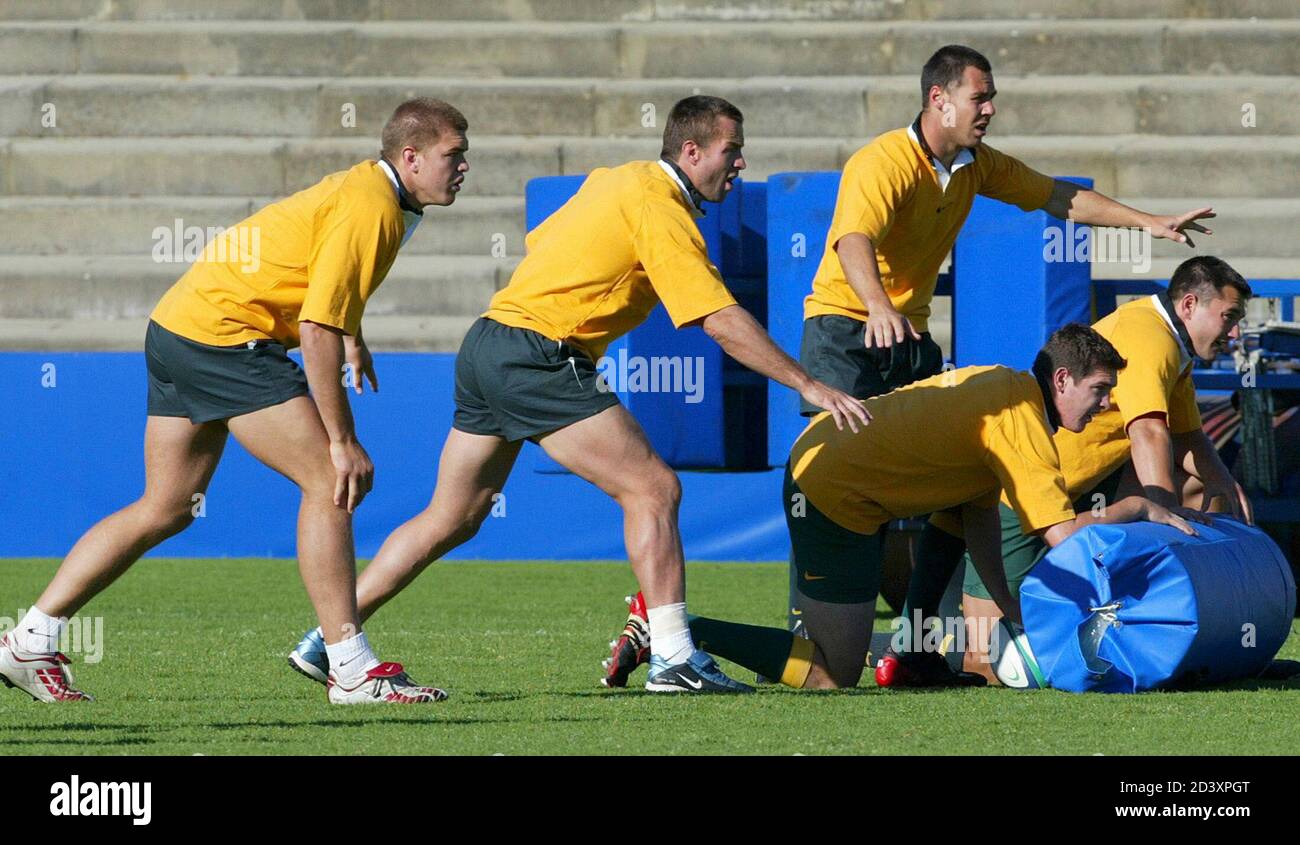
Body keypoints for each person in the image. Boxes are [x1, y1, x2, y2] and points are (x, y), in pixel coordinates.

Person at [286, 95, 870, 695]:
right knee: (654, 488)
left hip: (487, 342)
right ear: (692, 152)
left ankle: (328, 640)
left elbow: (547, 241)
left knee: (451, 517)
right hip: (537, 353)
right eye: (732, 150)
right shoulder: (659, 203)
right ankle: (674, 658)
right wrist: (808, 383)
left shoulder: (615, 179)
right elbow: (717, 319)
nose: (741, 163)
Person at [0, 98, 469, 705]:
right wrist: (342, 438)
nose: (464, 167)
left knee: (165, 506)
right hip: (224, 336)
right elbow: (315, 329)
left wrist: (352, 336)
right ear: (411, 157)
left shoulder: (378, 196)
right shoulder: (373, 206)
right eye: (453, 155)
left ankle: (28, 641)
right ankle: (350, 668)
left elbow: (321, 278)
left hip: (178, 326)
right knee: (332, 477)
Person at [791, 43, 1218, 665]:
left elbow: (1058, 197)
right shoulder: (882, 161)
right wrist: (877, 306)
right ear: (938, 99)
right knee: (825, 476)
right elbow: (853, 239)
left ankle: (916, 650)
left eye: (992, 97)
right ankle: (807, 634)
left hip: (905, 334)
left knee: (953, 498)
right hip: (845, 331)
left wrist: (1148, 222)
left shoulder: (976, 165)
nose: (990, 108)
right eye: (980, 97)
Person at [602, 325, 1207, 690]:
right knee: (830, 676)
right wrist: (1139, 506)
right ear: (1064, 380)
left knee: (836, 658)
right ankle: (672, 629)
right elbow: (1063, 538)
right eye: (1100, 390)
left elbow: (975, 518)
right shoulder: (1021, 418)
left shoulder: (1010, 391)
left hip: (840, 477)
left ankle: (911, 657)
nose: (1106, 406)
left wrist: (1010, 611)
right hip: (831, 487)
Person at [959, 256, 1253, 681]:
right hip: (1022, 496)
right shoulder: (1149, 336)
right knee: (986, 659)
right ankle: (917, 651)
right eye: (1229, 316)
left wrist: (1225, 485)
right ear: (1189, 305)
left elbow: (1187, 436)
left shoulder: (1175, 347)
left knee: (1197, 488)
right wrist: (1160, 516)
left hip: (1078, 493)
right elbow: (1149, 430)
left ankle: (916, 650)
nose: (1235, 332)